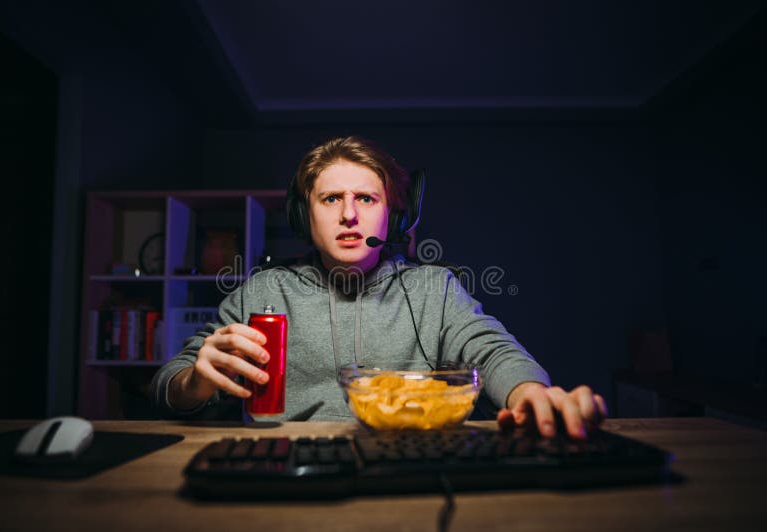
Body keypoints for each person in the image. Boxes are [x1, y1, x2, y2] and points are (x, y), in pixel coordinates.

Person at [150, 136, 607, 439]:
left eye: (366, 199)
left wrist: (531, 395)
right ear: (305, 216)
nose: (349, 215)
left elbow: (492, 351)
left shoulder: (435, 289)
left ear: (394, 216)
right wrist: (194, 381)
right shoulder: (262, 292)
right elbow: (169, 384)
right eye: (331, 198)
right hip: (289, 465)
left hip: (413, 462)